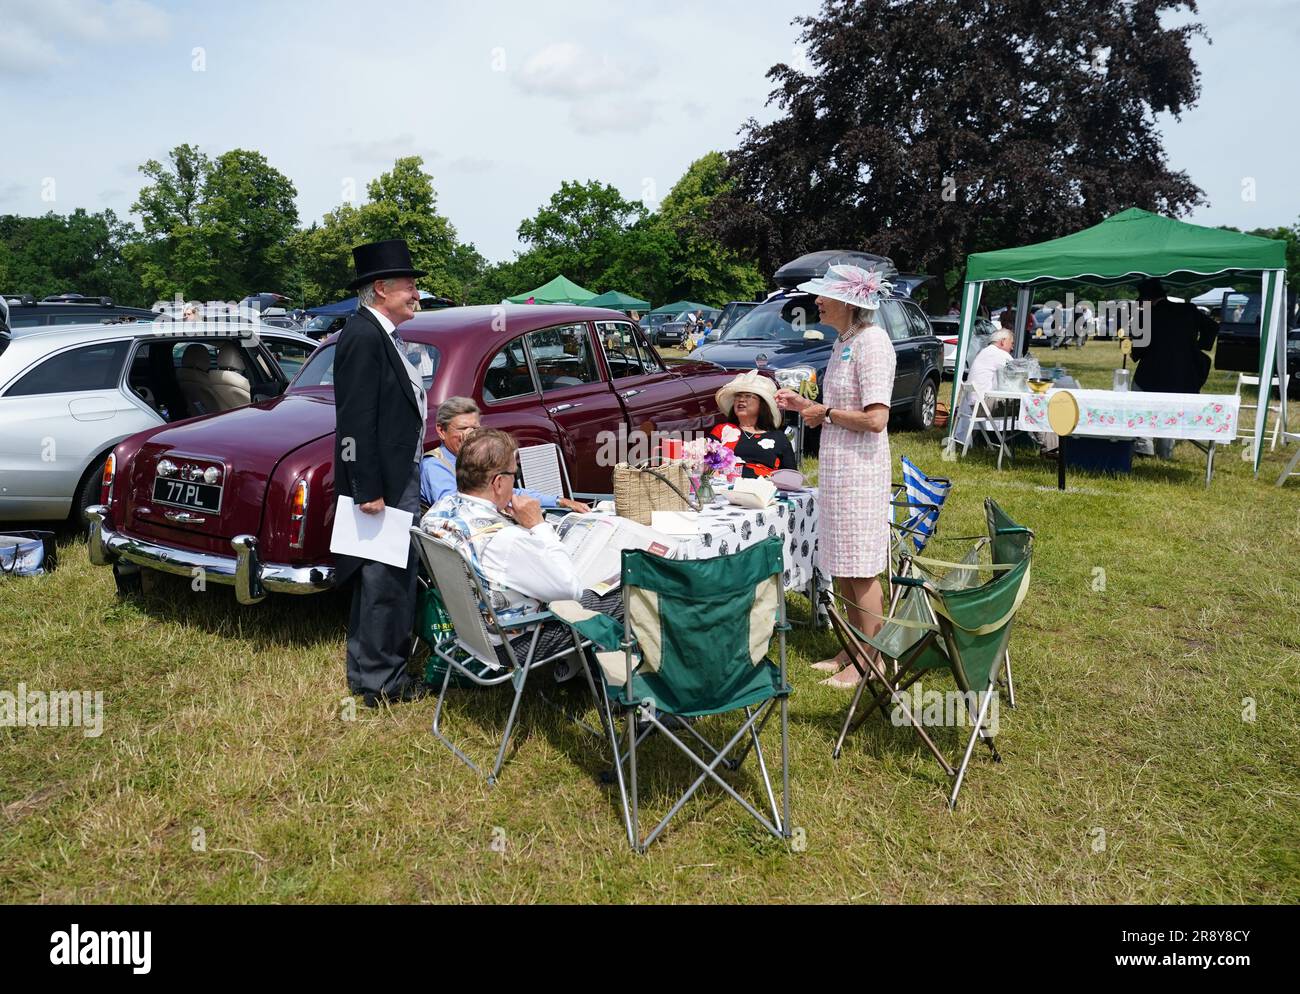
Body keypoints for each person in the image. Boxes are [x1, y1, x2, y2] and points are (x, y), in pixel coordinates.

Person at [776, 264, 896, 688]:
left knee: (862, 568)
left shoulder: (873, 344)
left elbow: (876, 419)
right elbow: (843, 410)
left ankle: (873, 660)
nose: (817, 301)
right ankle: (854, 648)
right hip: (839, 468)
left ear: (848, 303)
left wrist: (824, 413)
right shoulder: (844, 342)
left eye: (825, 295)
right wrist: (804, 407)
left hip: (861, 471)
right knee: (844, 565)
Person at [421, 429, 620, 681]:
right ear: (498, 482)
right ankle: (631, 689)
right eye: (514, 475)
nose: (515, 483)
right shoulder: (504, 540)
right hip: (513, 642)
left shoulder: (438, 513)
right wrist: (538, 525)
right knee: (625, 592)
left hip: (471, 633)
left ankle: (585, 669)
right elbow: (570, 590)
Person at [334, 239, 429, 707]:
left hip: (398, 475)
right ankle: (378, 682)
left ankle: (381, 669)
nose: (417, 293)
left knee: (390, 576)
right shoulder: (363, 336)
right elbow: (354, 420)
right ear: (381, 288)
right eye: (410, 285)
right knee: (383, 578)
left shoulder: (381, 334)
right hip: (382, 484)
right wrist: (365, 487)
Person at [419, 396, 590, 513]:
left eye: (475, 428)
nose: (471, 435)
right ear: (441, 431)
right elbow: (454, 510)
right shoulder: (435, 465)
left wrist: (559, 501)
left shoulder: (473, 459)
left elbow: (508, 491)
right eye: (463, 428)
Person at [1131, 278, 1218, 459]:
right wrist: (1198, 346)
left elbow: (1140, 347)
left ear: (1147, 300)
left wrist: (1134, 355)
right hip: (1182, 372)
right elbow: (1212, 326)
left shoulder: (1145, 316)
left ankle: (1144, 446)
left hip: (1152, 371)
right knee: (1171, 410)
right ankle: (1165, 451)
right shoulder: (1188, 310)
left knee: (1140, 402)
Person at [711, 369, 797, 478]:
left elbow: (791, 477)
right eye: (738, 396)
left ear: (762, 404)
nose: (741, 400)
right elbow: (707, 465)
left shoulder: (779, 438)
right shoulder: (722, 430)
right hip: (726, 489)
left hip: (764, 490)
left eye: (748, 396)